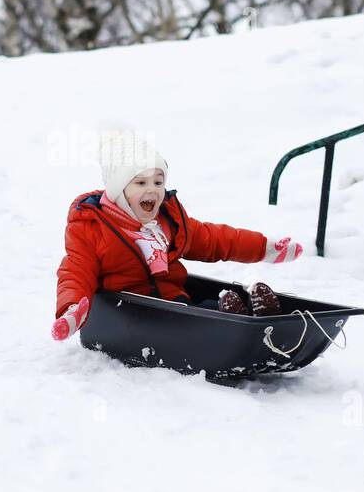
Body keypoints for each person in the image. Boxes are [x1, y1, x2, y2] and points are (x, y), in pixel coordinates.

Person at [52, 132, 303, 341]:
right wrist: (72, 312)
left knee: (206, 307)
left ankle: (256, 316)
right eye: (140, 183)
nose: (152, 189)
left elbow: (216, 240)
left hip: (176, 304)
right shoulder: (93, 228)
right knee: (206, 320)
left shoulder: (166, 221)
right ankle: (242, 323)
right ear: (119, 190)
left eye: (158, 182)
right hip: (134, 316)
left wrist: (265, 248)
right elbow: (76, 272)